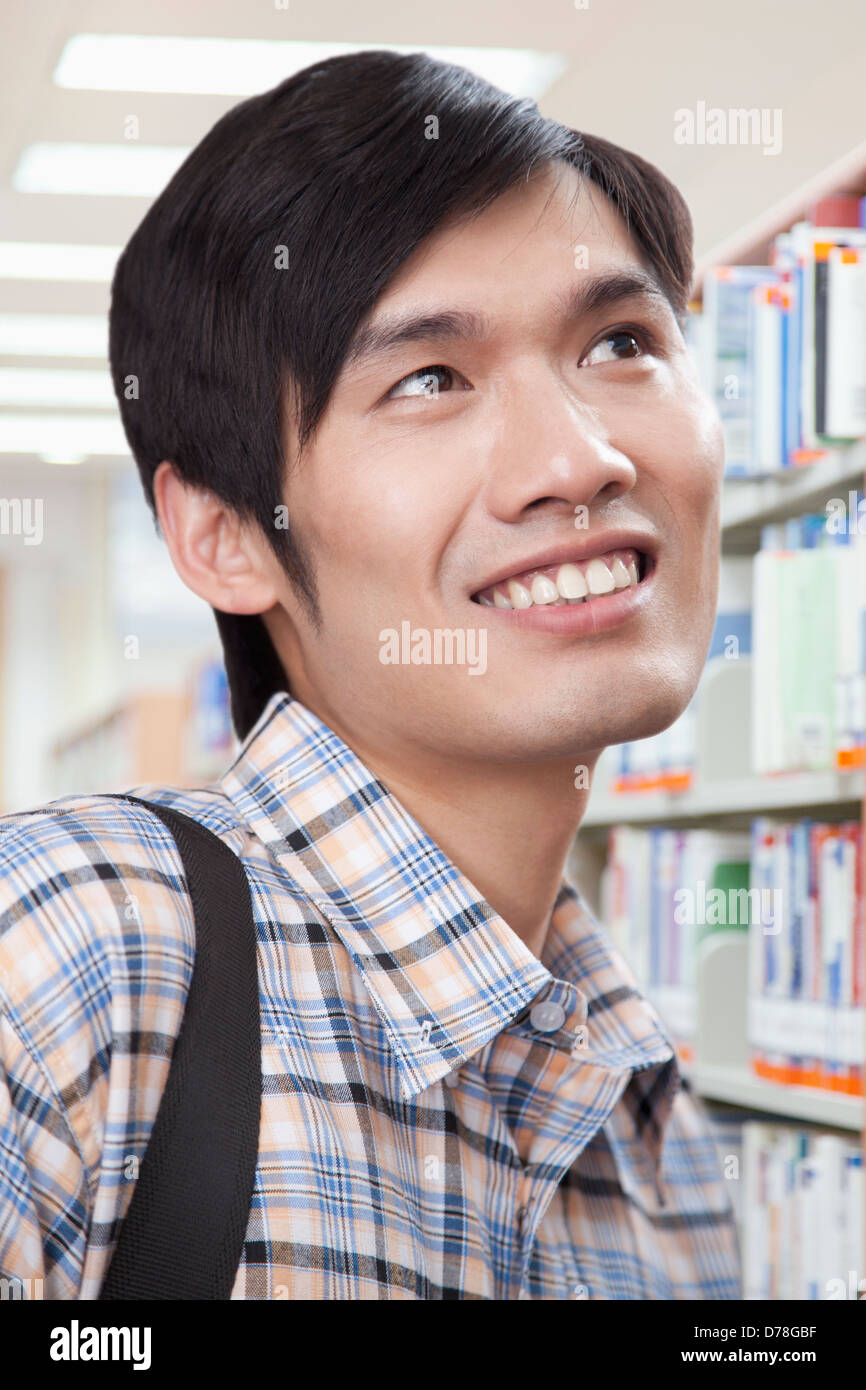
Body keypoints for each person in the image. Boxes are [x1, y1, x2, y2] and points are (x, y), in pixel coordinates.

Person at [0, 49, 740, 1299]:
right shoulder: (69, 958)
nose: (580, 456)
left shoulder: (659, 1141)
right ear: (225, 534)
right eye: (428, 380)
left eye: (619, 341)